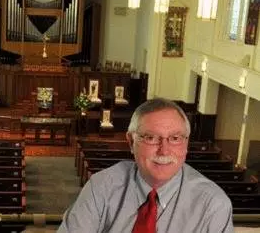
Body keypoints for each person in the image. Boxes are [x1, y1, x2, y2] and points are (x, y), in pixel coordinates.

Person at [58, 98, 234, 233]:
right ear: (130, 142)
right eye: (151, 138)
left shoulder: (213, 204)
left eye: (175, 138)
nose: (164, 151)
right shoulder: (101, 187)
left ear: (186, 144)